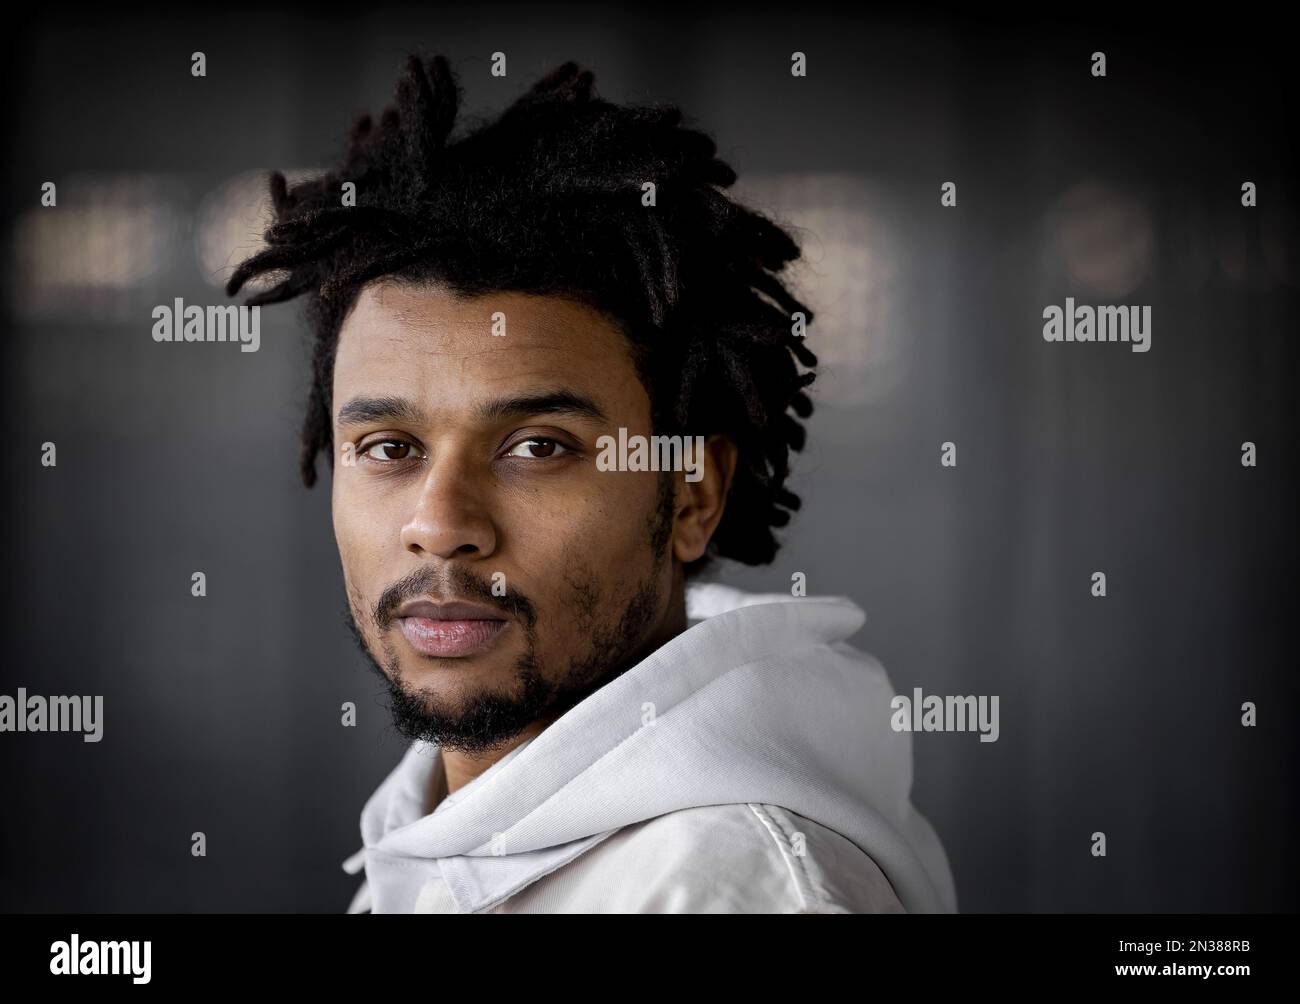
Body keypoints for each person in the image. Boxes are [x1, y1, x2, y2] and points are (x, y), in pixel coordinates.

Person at [227, 53, 956, 914]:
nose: (440, 524)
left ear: (690, 495)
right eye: (389, 448)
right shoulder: (441, 821)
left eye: (537, 447)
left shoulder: (723, 891)